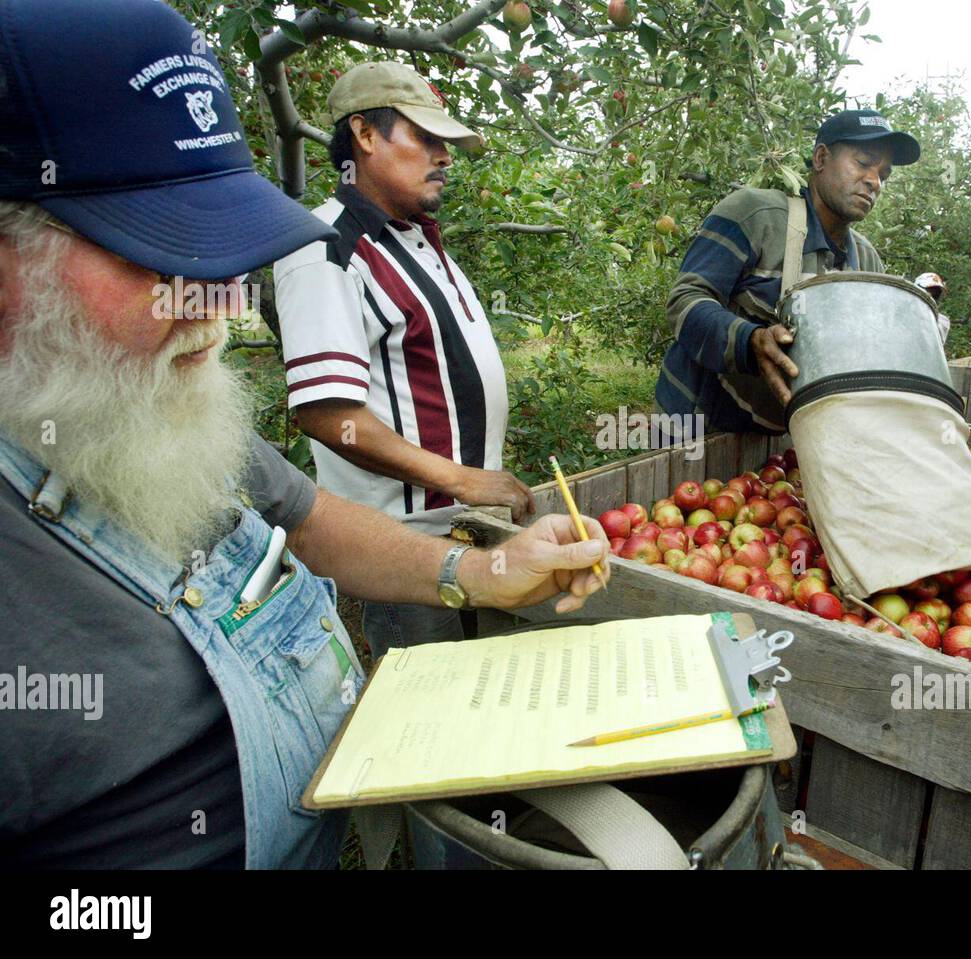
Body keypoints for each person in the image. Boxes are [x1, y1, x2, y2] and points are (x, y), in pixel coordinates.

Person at [0, 0, 608, 869]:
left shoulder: (145, 417)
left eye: (223, 248)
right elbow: (330, 413)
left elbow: (308, 515)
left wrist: (483, 571)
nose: (214, 308)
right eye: (153, 249)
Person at [273, 62, 535, 656]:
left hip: (470, 536)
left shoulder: (416, 241)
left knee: (486, 699)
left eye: (446, 143)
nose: (444, 156)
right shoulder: (327, 247)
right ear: (365, 136)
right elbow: (325, 414)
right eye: (426, 137)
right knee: (432, 723)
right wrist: (462, 478)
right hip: (402, 552)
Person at [655, 108, 921, 436]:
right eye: (864, 162)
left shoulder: (867, 265)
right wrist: (750, 341)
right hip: (695, 425)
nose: (874, 181)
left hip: (784, 440)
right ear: (821, 158)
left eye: (884, 174)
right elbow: (684, 301)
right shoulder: (755, 215)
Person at [914, 271, 953, 345]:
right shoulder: (903, 312)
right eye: (929, 290)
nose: (931, 295)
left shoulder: (941, 321)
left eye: (936, 294)